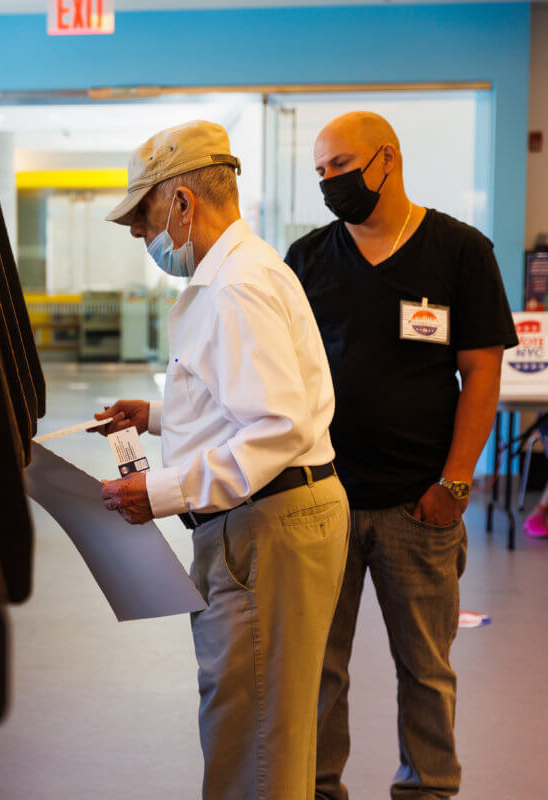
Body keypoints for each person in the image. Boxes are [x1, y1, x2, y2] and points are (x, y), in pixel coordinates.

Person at [94, 120, 349, 800]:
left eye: (142, 215)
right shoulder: (238, 273)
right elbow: (243, 403)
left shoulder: (238, 285)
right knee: (259, 729)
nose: (138, 234)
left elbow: (277, 426)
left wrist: (164, 489)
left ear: (182, 202)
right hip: (263, 519)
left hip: (267, 524)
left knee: (254, 741)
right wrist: (160, 417)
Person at [284, 111, 518, 800]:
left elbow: (481, 373)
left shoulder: (460, 251)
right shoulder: (307, 260)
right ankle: (319, 788)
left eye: (342, 166)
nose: (330, 181)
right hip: (321, 500)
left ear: (388, 160)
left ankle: (428, 790)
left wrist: (454, 484)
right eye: (321, 171)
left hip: (421, 505)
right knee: (319, 669)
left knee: (426, 667)